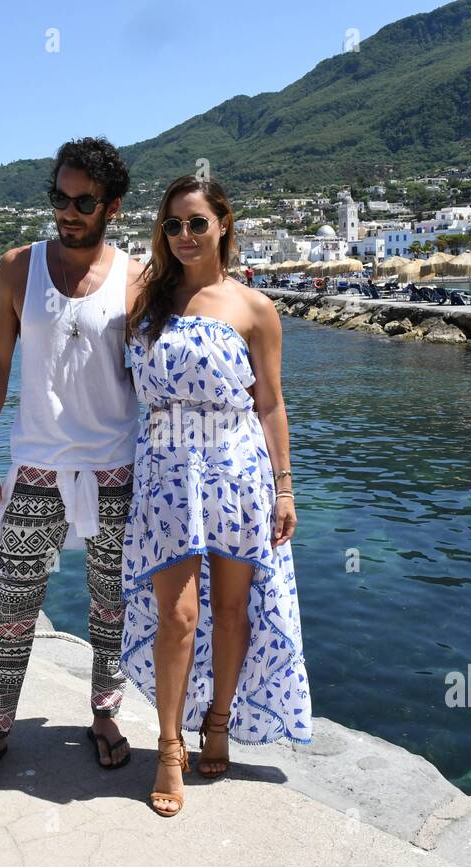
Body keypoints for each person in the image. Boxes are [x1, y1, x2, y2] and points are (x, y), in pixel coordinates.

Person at [121, 175, 312, 817]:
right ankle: (169, 745)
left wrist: (285, 489)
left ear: (224, 225)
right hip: (166, 472)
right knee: (177, 616)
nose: (183, 235)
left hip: (237, 468)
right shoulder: (145, 300)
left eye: (197, 223)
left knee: (233, 612)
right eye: (173, 224)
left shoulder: (254, 308)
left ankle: (221, 721)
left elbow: (271, 402)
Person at [0, 136, 142, 789]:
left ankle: (105, 715)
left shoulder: (136, 278)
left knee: (110, 608)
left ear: (111, 206)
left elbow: (157, 369)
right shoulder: (18, 267)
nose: (68, 212)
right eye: (59, 199)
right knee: (14, 605)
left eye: (83, 202)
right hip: (36, 464)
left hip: (114, 467)